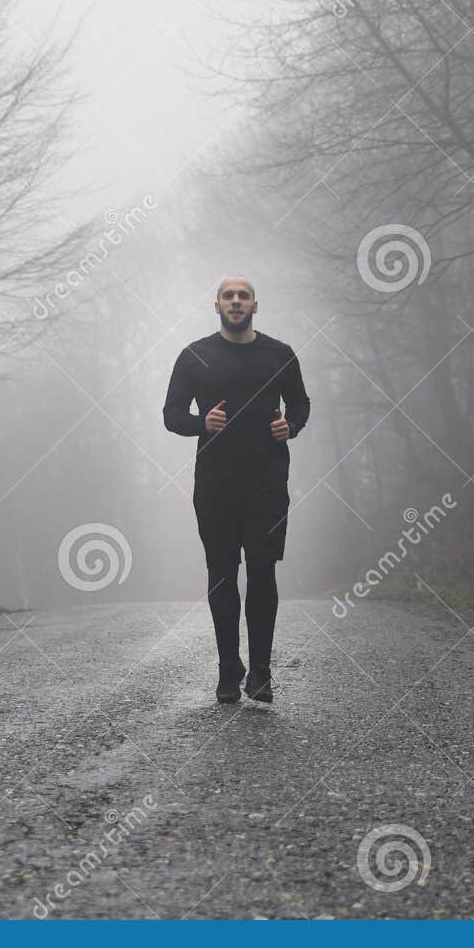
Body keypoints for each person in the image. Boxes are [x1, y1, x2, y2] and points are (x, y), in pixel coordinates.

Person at [162, 276, 310, 704]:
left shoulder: (279, 354)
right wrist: (200, 423)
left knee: (263, 571)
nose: (236, 301)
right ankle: (229, 669)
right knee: (222, 574)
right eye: (229, 296)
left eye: (243, 296)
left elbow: (301, 403)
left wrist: (292, 426)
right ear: (217, 306)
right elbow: (172, 414)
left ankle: (260, 671)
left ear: (255, 305)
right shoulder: (195, 356)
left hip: (267, 482)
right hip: (214, 484)